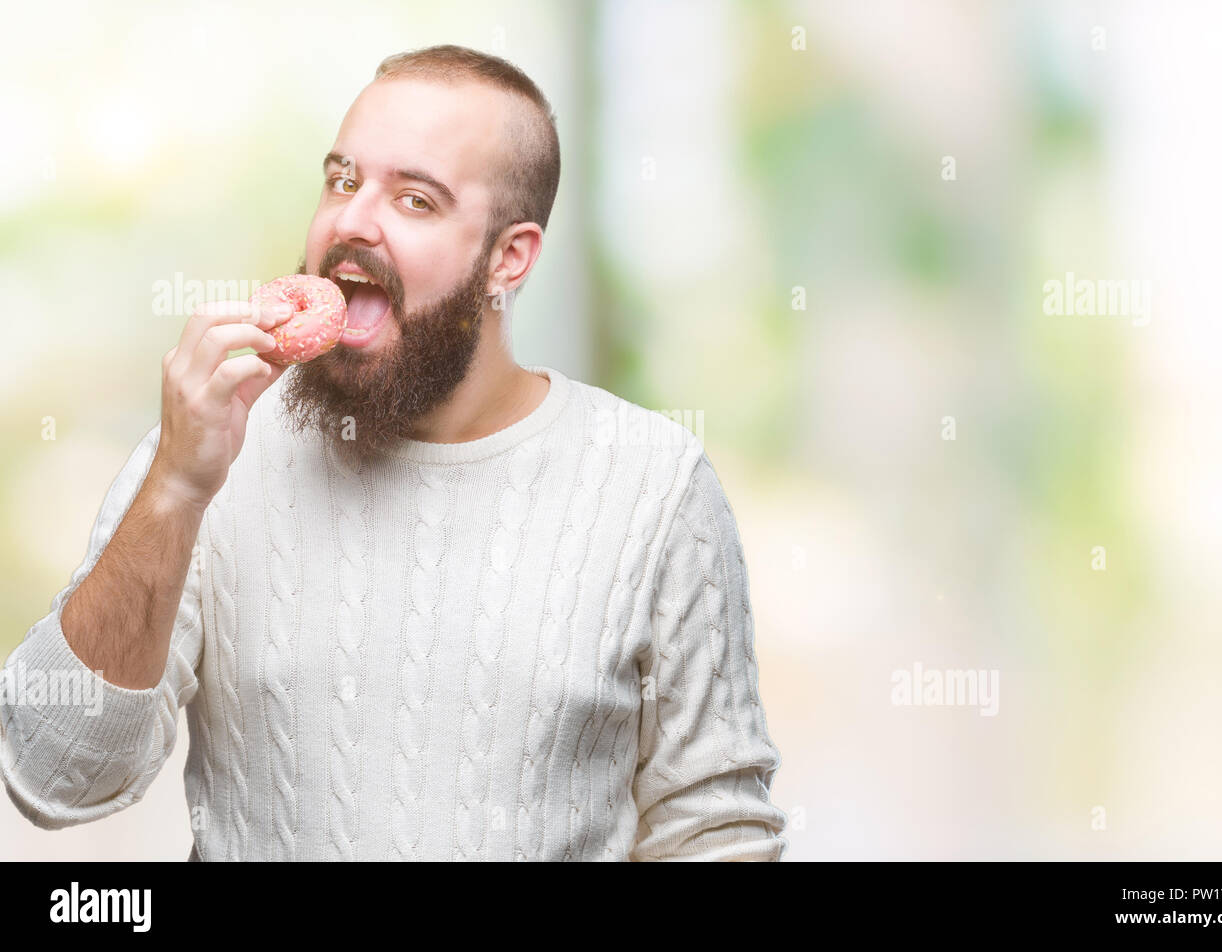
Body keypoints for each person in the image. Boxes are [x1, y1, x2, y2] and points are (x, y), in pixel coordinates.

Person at [0, 45, 787, 861]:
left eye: (415, 199)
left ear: (508, 258)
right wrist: (173, 489)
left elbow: (715, 833)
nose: (350, 222)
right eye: (342, 180)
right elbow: (52, 775)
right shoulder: (212, 451)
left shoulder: (654, 485)